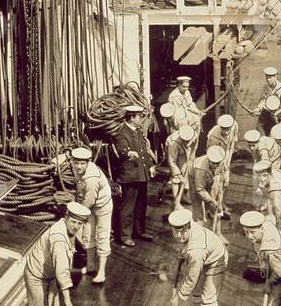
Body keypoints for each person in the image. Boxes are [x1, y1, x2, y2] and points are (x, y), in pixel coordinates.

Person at [168, 208, 227, 306]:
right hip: (205, 256)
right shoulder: (188, 228)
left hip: (216, 260)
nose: (179, 236)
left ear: (188, 226)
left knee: (208, 300)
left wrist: (179, 297)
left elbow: (191, 278)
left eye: (182, 232)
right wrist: (183, 251)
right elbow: (188, 247)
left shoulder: (196, 250)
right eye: (176, 232)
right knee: (196, 294)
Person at [112, 104, 156, 246]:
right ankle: (125, 236)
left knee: (141, 206)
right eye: (139, 116)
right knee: (128, 207)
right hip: (130, 176)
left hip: (141, 174)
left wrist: (150, 166)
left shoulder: (138, 131)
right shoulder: (122, 133)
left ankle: (139, 231)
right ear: (132, 117)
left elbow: (144, 151)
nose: (141, 119)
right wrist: (129, 153)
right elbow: (121, 149)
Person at [68, 146, 113, 284]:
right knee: (87, 233)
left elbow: (89, 201)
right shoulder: (77, 169)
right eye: (76, 163)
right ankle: (90, 266)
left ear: (87, 163)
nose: (79, 166)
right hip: (89, 205)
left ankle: (102, 273)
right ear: (73, 162)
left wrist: (75, 215)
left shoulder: (91, 179)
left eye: (82, 163)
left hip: (102, 206)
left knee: (102, 236)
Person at [207, 114, 238, 216]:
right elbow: (212, 156)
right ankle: (212, 210)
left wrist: (227, 161)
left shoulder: (234, 126)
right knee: (216, 185)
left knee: (225, 183)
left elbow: (232, 144)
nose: (225, 132)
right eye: (223, 129)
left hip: (226, 157)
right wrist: (220, 167)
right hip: (215, 158)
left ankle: (221, 203)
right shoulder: (213, 137)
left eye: (227, 129)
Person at [190, 145, 226, 224]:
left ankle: (212, 212)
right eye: (214, 163)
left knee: (214, 196)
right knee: (197, 201)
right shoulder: (200, 169)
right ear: (209, 160)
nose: (216, 166)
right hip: (195, 179)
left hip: (210, 176)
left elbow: (223, 170)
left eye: (218, 163)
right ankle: (199, 221)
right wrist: (211, 200)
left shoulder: (220, 158)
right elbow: (199, 189)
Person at [165, 124, 197, 211]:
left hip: (185, 153)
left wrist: (191, 158)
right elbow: (171, 161)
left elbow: (194, 147)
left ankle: (182, 196)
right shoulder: (174, 143)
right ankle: (176, 201)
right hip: (174, 153)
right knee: (176, 178)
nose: (187, 142)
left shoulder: (194, 135)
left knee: (185, 173)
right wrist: (179, 175)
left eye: (188, 141)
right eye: (185, 141)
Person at [255, 67, 281, 132]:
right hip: (272, 116)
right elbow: (263, 100)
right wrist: (258, 108)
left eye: (270, 78)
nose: (268, 80)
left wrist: (276, 114)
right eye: (267, 77)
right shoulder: (266, 87)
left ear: (275, 77)